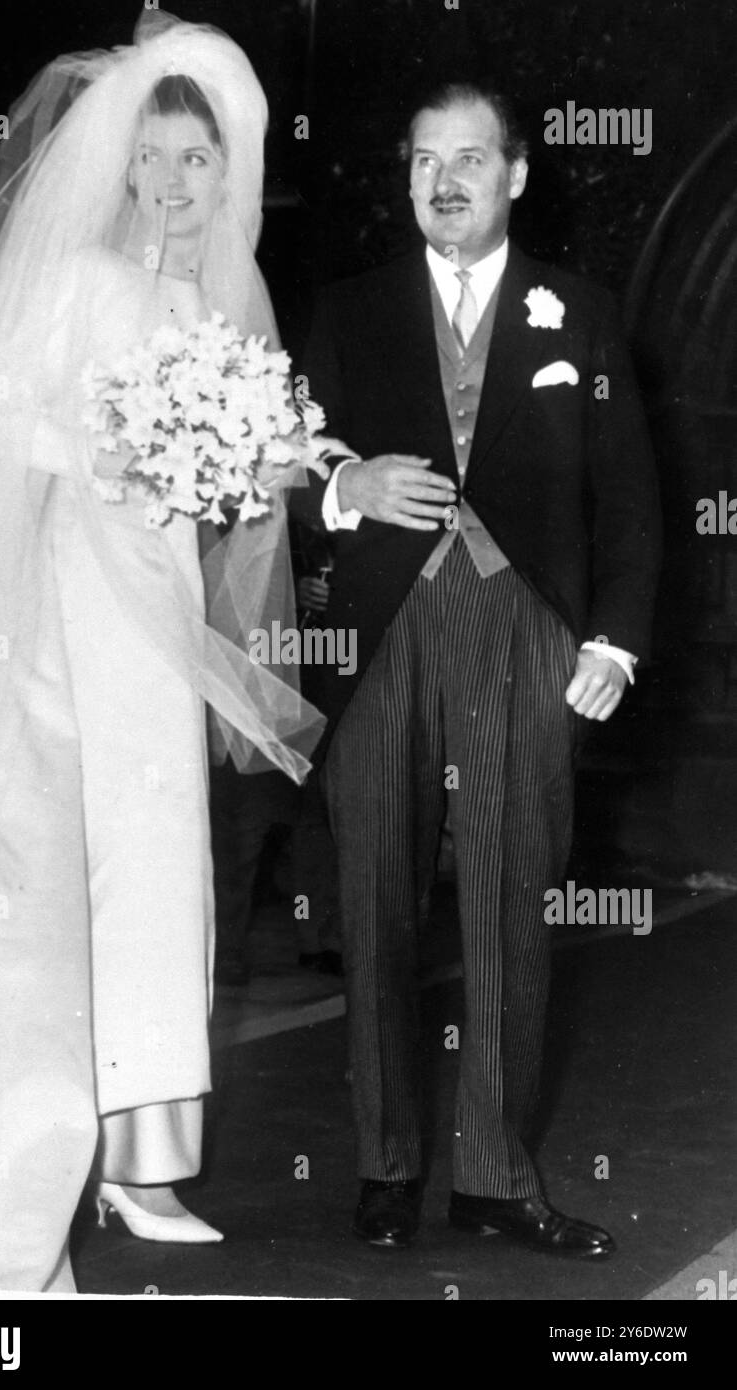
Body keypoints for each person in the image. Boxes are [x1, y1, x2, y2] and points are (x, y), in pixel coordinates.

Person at [0, 21, 323, 1291]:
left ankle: (146, 1159)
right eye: (157, 159)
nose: (176, 186)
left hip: (161, 615)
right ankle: (50, 1140)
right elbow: (0, 443)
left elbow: (259, 469)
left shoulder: (224, 301)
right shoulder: (76, 283)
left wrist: (257, 465)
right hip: (70, 606)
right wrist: (116, 458)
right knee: (58, 877)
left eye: (200, 162)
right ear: (122, 168)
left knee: (163, 857)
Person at [293, 81, 661, 1254]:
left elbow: (634, 499)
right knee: (377, 905)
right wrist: (344, 491)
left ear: (514, 174)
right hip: (380, 636)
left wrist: (610, 639)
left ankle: (499, 1178)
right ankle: (388, 1166)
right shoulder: (348, 311)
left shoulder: (581, 313)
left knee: (510, 900)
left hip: (521, 632)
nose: (441, 180)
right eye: (420, 162)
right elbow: (277, 475)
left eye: (467, 159)